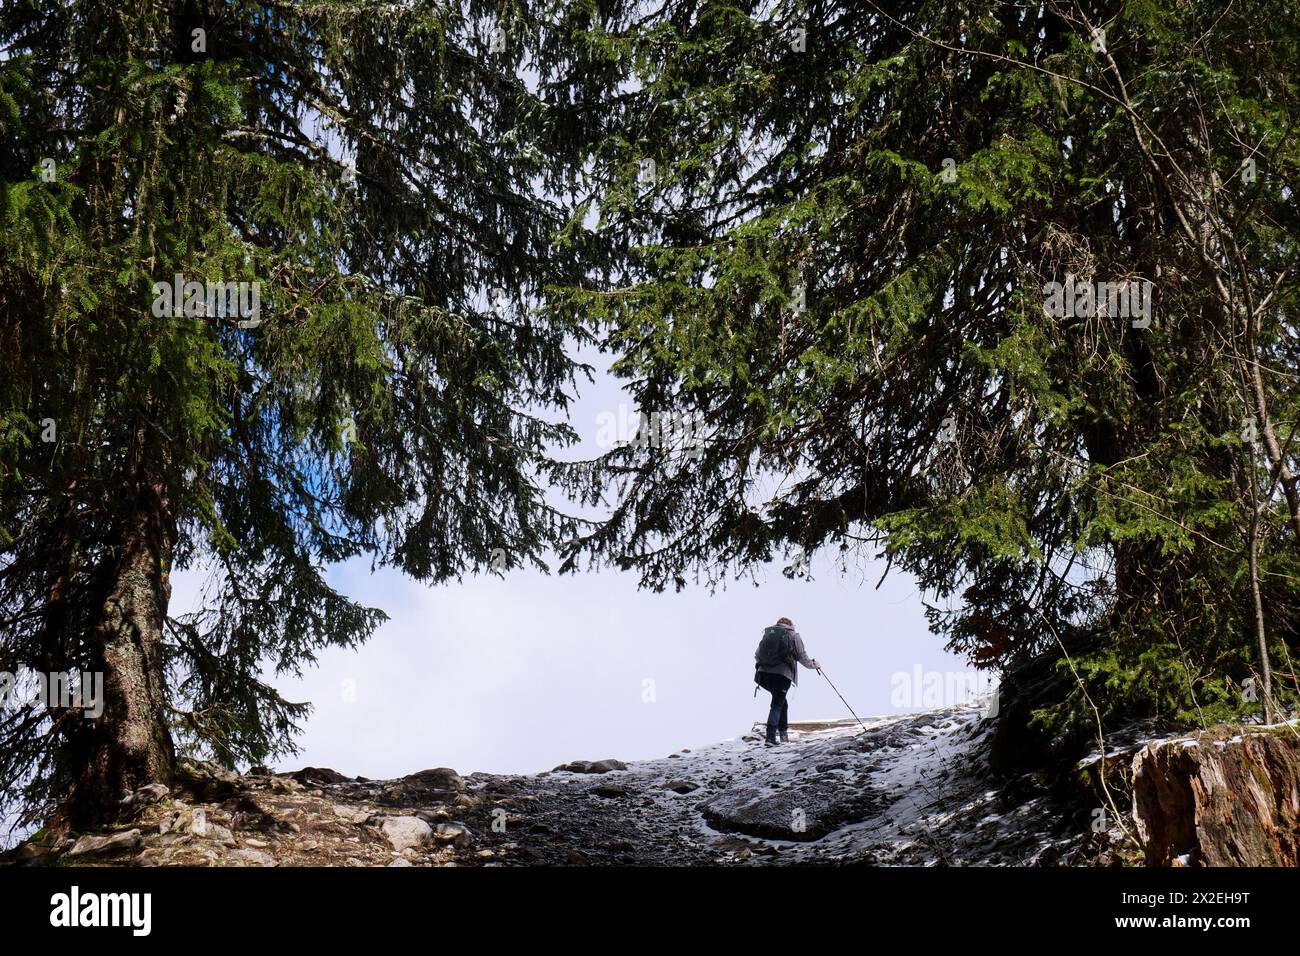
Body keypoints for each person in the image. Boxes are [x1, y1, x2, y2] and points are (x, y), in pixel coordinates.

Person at [753, 616, 820, 746]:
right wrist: (814, 665)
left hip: (763, 674)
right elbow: (802, 657)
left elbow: (757, 654)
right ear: (791, 625)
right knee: (777, 704)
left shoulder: (769, 634)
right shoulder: (793, 635)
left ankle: (783, 735)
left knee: (782, 703)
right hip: (782, 675)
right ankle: (770, 737)